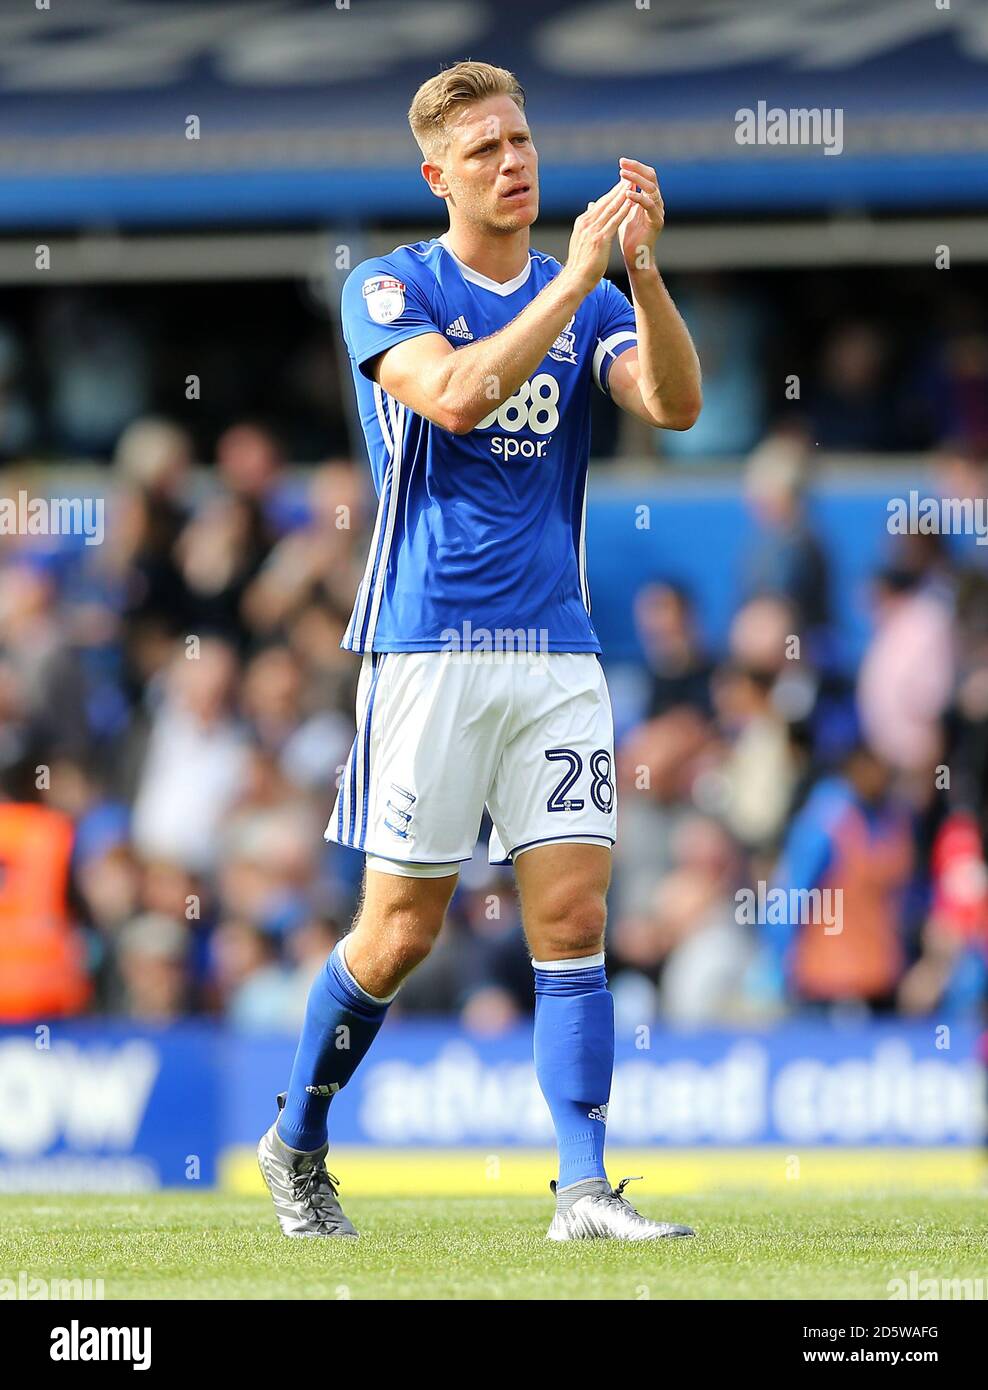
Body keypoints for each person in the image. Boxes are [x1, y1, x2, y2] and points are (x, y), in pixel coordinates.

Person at [257, 60, 701, 1242]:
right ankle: (297, 1136)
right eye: (486, 150)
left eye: (521, 141)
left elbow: (674, 403)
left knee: (572, 918)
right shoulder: (389, 288)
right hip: (428, 645)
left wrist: (642, 279)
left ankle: (584, 1188)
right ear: (436, 175)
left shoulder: (591, 292)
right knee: (401, 933)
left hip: (556, 648)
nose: (514, 162)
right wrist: (574, 286)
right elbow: (453, 397)